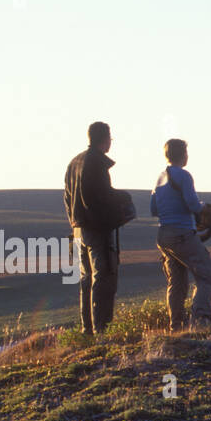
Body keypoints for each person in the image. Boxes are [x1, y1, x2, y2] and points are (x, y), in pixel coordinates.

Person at [150, 139, 211, 331]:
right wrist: (203, 207)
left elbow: (153, 209)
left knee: (177, 282)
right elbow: (193, 205)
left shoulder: (160, 177)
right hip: (183, 233)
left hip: (164, 235)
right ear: (183, 155)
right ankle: (200, 320)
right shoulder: (184, 176)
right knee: (205, 276)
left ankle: (176, 325)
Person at [63, 122, 122, 334]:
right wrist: (121, 207)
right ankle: (101, 331)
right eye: (110, 138)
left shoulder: (74, 163)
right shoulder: (96, 163)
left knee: (86, 279)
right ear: (104, 138)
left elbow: (68, 198)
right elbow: (99, 199)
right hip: (98, 230)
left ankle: (87, 329)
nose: (110, 143)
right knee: (103, 277)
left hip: (79, 231)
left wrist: (74, 223)